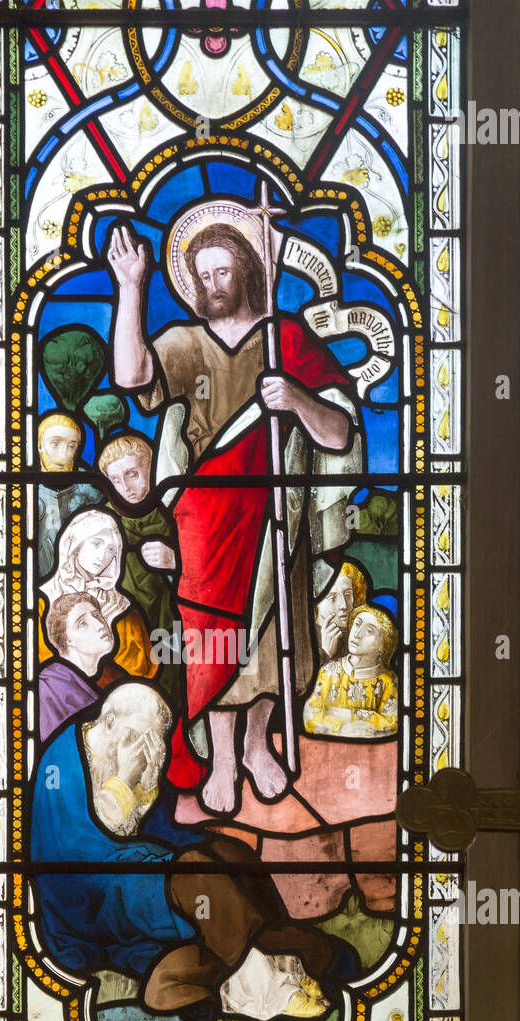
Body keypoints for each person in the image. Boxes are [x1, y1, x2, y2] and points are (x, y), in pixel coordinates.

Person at [108, 216, 362, 814]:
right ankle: (222, 757)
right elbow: (131, 375)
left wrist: (295, 397)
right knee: (212, 640)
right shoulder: (184, 342)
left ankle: (256, 746)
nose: (214, 282)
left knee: (274, 632)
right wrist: (130, 287)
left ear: (247, 271)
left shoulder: (287, 341)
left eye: (224, 270)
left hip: (274, 511)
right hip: (205, 515)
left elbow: (340, 430)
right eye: (203, 274)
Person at [30, 683, 358, 1021]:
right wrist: (127, 778)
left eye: (153, 737)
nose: (146, 746)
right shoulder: (62, 761)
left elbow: (154, 829)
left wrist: (194, 840)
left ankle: (274, 949)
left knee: (231, 855)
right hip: (91, 892)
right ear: (109, 721)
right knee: (197, 874)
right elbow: (78, 850)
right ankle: (271, 987)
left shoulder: (127, 747)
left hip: (127, 866)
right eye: (138, 734)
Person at [98, 434, 180, 700]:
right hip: (119, 630)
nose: (125, 487)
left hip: (170, 625)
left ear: (151, 468)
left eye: (133, 474)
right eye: (115, 480)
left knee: (172, 688)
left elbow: (213, 569)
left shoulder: (175, 515)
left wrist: (177, 562)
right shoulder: (100, 524)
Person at [39, 508, 158, 682]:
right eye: (96, 543)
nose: (103, 556)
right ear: (76, 545)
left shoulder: (122, 609)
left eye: (111, 549)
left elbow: (143, 669)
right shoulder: (42, 602)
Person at [303, 604, 398, 738]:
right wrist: (342, 729)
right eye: (357, 624)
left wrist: (349, 715)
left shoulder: (389, 681)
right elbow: (311, 715)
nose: (357, 634)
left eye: (369, 631)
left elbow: (391, 723)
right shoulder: (329, 671)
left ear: (383, 645)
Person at [38, 593, 114, 743]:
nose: (100, 625)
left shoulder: (114, 677)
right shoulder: (48, 687)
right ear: (67, 638)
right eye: (82, 623)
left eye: (97, 616)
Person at [36, 413, 104, 577]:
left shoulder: (93, 493)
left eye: (71, 446)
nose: (63, 454)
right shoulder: (22, 489)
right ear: (39, 446)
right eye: (55, 443)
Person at [315, 561, 367, 664]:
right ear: (317, 602)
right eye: (332, 598)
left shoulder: (360, 635)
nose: (343, 606)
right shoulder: (304, 635)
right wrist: (325, 653)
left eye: (347, 595)